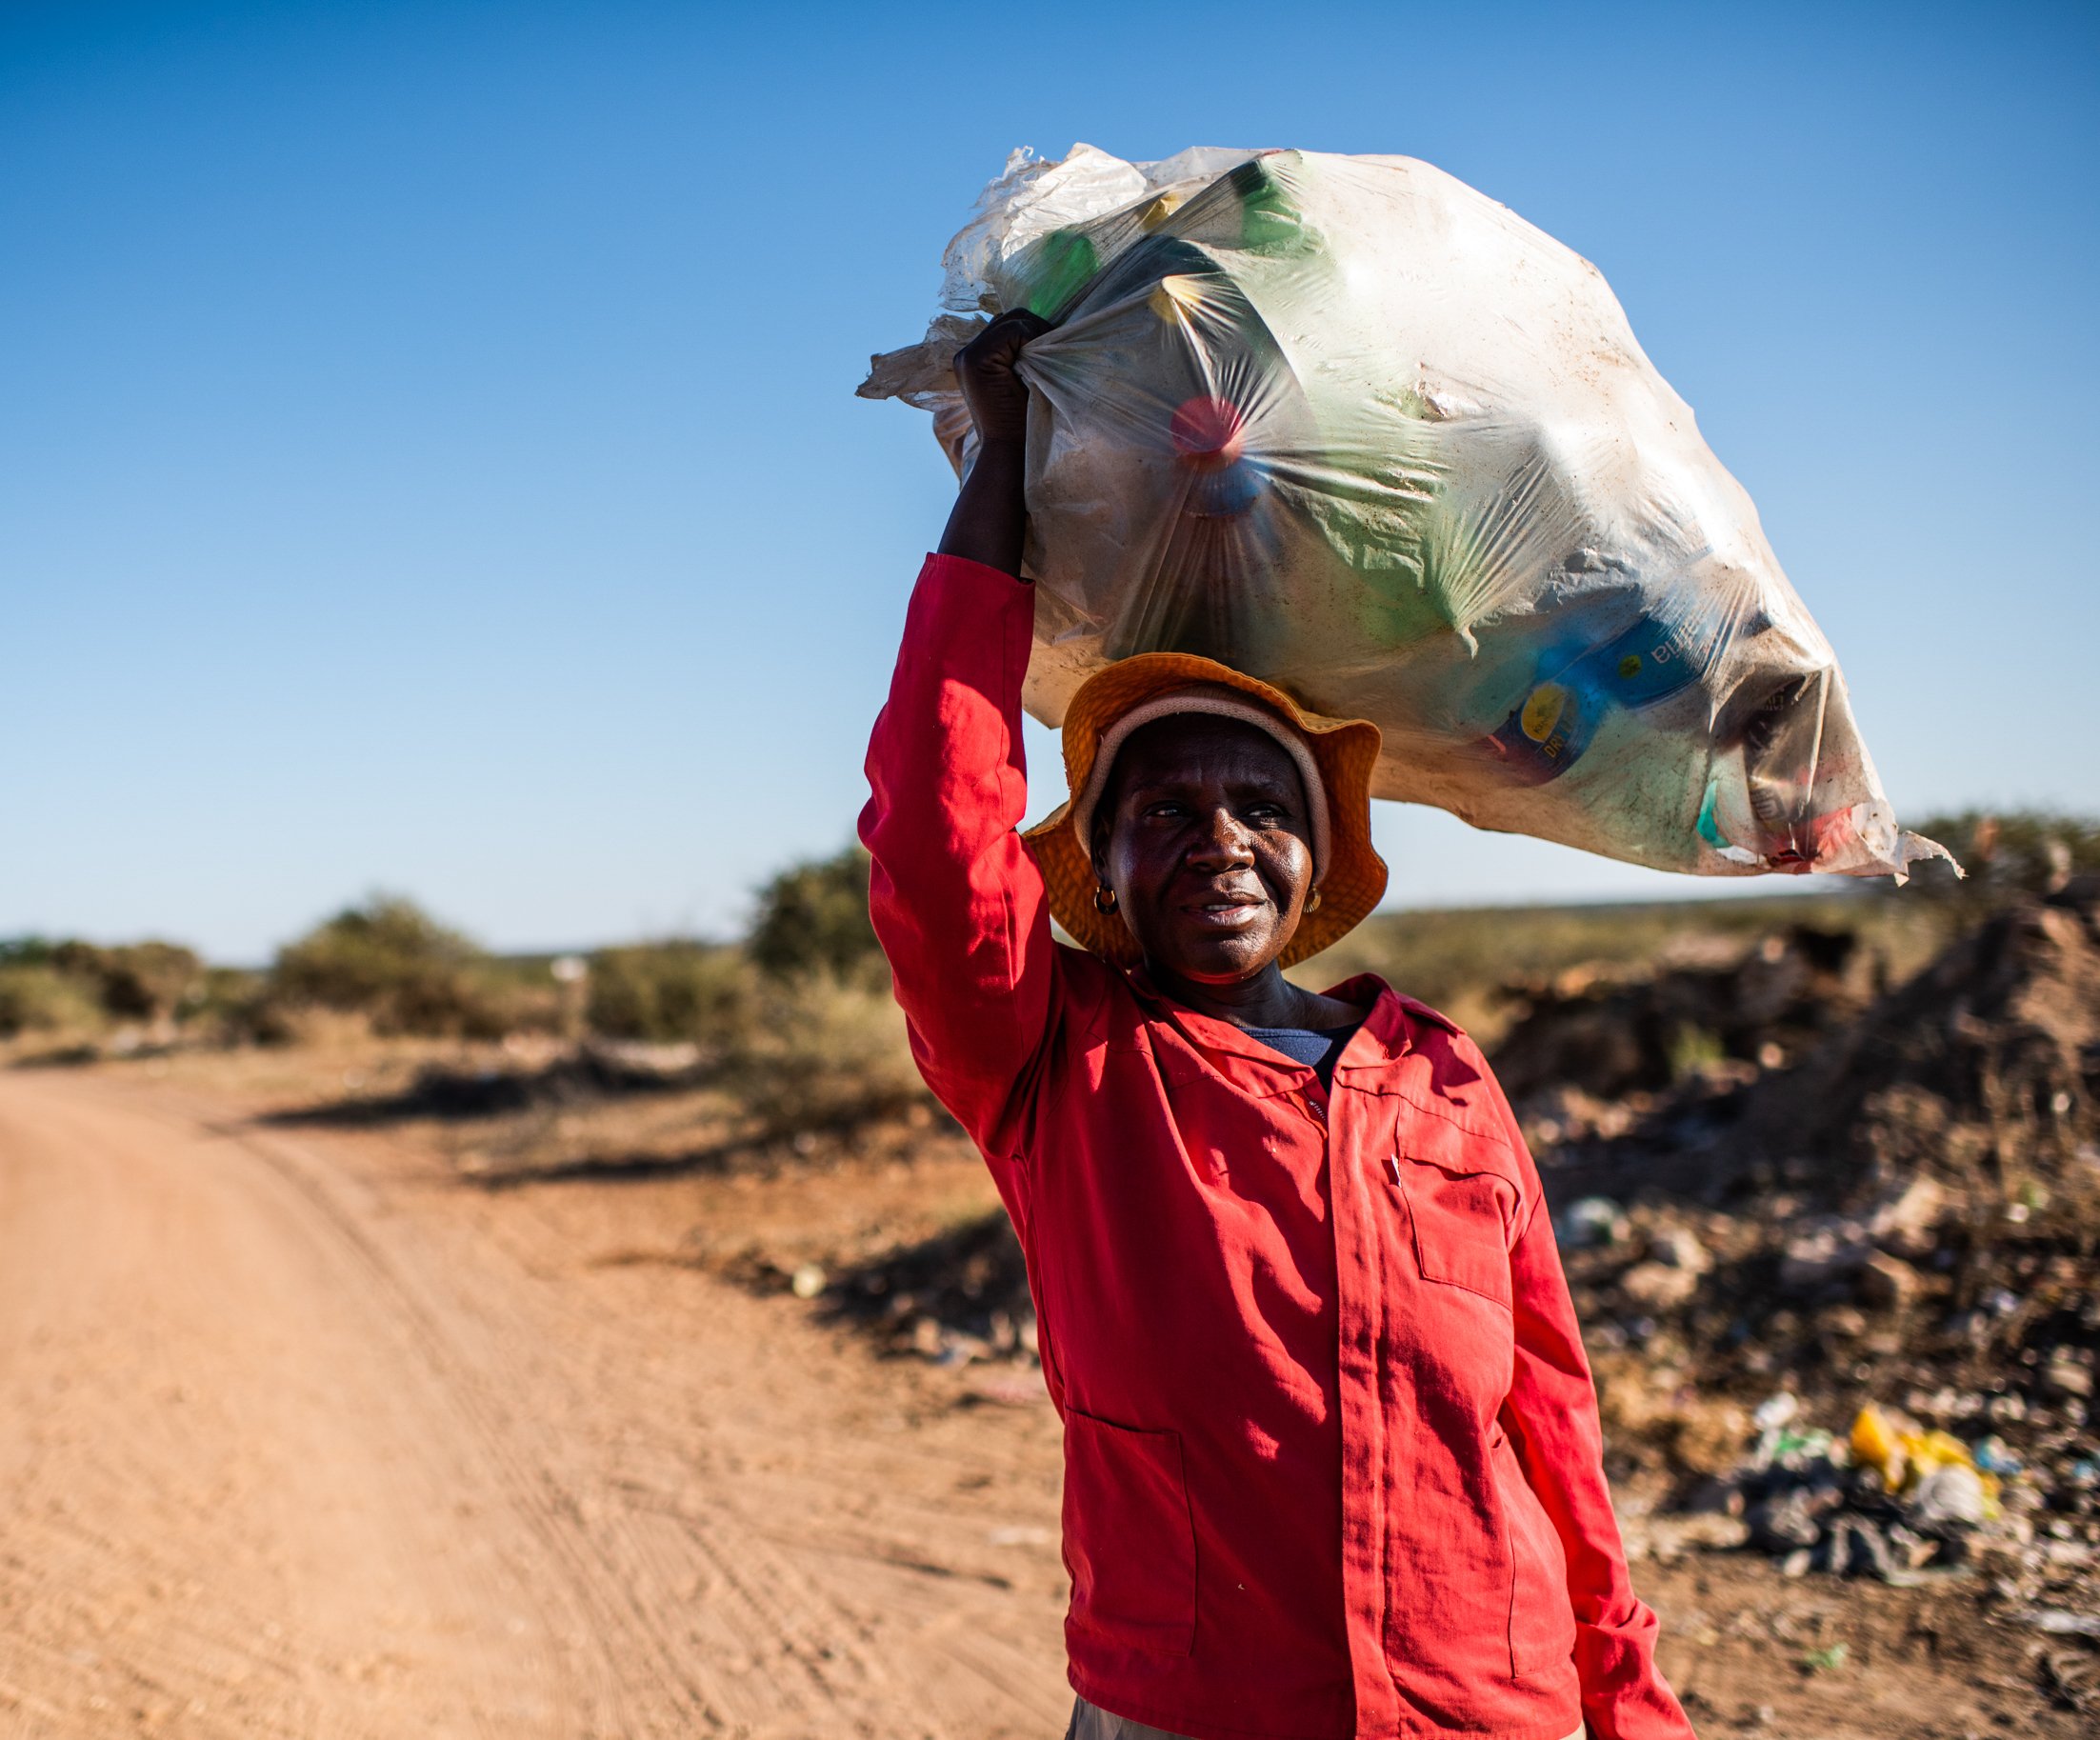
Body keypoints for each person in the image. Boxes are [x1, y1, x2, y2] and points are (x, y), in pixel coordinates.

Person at [859, 310, 1697, 1740]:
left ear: (1316, 860)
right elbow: (939, 837)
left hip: (1488, 1705)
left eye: (1262, 809)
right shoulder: (1062, 1067)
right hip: (1197, 1707)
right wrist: (1003, 458)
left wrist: (1627, 1700)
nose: (1221, 843)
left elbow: (1548, 1411)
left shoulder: (1437, 1074)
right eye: (1165, 812)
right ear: (1101, 866)